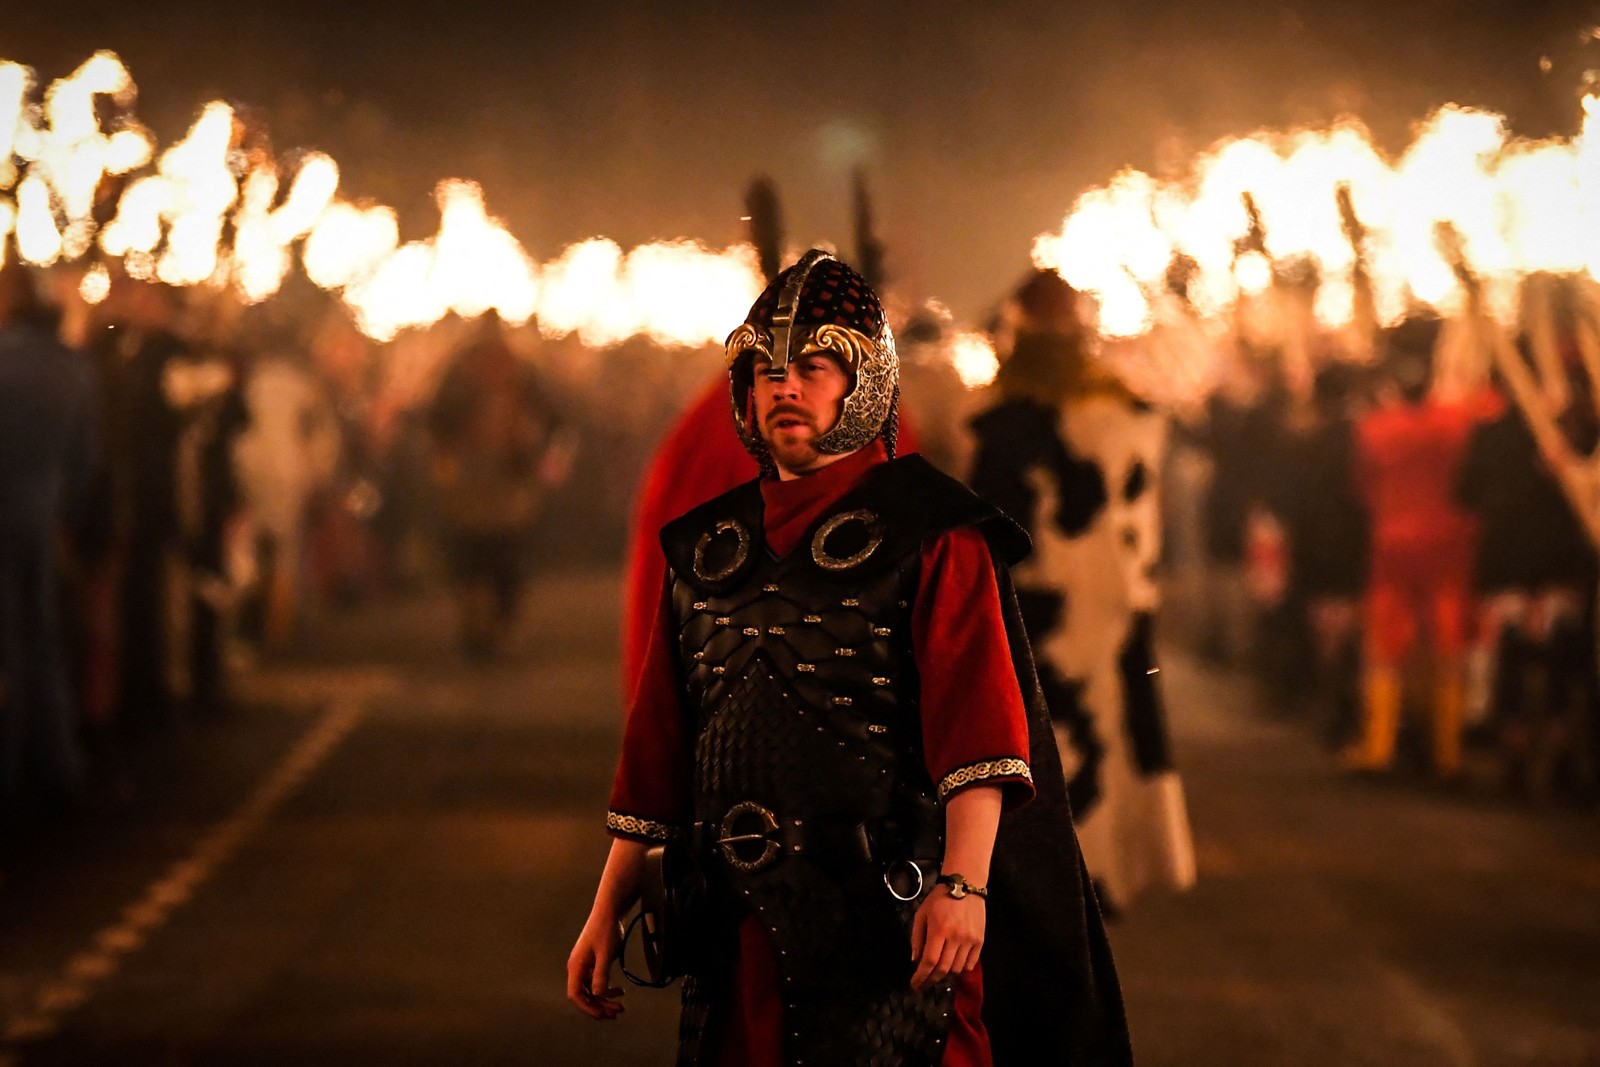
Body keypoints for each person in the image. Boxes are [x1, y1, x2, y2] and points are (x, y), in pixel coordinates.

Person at [568, 250, 1129, 1066]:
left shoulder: (934, 536)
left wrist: (964, 887)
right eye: (768, 371)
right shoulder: (708, 549)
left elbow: (978, 738)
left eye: (813, 368)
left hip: (892, 927)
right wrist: (607, 903)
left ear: (863, 380)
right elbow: (659, 752)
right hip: (738, 935)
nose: (785, 388)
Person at [969, 269, 1195, 915]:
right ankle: (1106, 868)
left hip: (1041, 604)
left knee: (1054, 735)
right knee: (1111, 729)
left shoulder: (1006, 426)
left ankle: (1063, 871)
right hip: (1122, 600)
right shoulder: (1132, 414)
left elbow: (993, 529)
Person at [1345, 318, 1493, 779]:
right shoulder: (1459, 423)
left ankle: (1380, 746)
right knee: (1446, 646)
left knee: (1387, 648)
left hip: (1393, 544)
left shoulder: (1374, 428)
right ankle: (1447, 751)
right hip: (1451, 546)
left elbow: (1362, 488)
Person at [0, 261, 97, 813]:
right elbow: (85, 460)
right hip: (42, 513)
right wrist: (69, 519)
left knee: (9, 646)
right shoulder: (71, 368)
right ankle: (57, 763)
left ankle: (10, 769)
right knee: (42, 639)